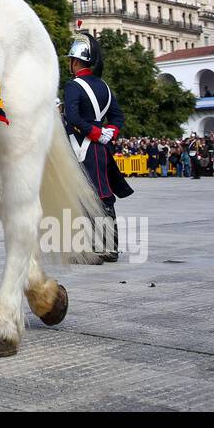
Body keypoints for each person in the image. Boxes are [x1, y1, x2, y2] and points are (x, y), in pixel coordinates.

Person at [62, 33, 132, 262]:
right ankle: (110, 247)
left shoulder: (73, 86)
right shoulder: (104, 87)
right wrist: (108, 132)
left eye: (71, 61)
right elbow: (117, 116)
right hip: (101, 149)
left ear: (76, 62)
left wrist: (94, 133)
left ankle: (89, 248)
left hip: (81, 148)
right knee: (103, 195)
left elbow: (72, 117)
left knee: (82, 197)